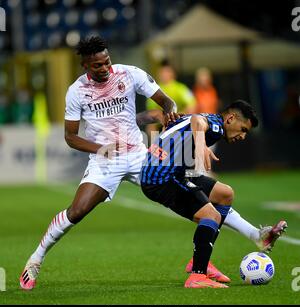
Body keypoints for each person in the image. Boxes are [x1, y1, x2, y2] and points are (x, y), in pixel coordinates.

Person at [19, 36, 179, 290]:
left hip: (138, 154)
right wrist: (101, 149)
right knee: (77, 211)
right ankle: (35, 259)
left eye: (107, 62)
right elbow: (70, 137)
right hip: (105, 160)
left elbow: (166, 101)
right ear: (85, 65)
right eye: (97, 65)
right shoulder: (76, 91)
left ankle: (218, 252)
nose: (104, 68)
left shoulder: (129, 74)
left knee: (185, 196)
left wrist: (170, 109)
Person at [140, 100, 287, 288]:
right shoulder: (216, 126)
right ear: (231, 118)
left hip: (169, 171)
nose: (242, 136)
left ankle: (250, 238)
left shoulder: (212, 122)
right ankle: (197, 276)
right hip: (161, 178)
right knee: (212, 215)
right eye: (243, 129)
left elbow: (165, 117)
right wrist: (201, 145)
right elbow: (197, 120)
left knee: (225, 194)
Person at [145, 60, 196, 137]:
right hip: (162, 124)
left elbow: (192, 105)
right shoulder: (154, 89)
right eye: (162, 72)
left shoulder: (180, 88)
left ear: (172, 74)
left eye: (166, 72)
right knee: (150, 126)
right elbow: (151, 112)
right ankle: (157, 146)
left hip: (179, 121)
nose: (164, 75)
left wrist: (179, 116)